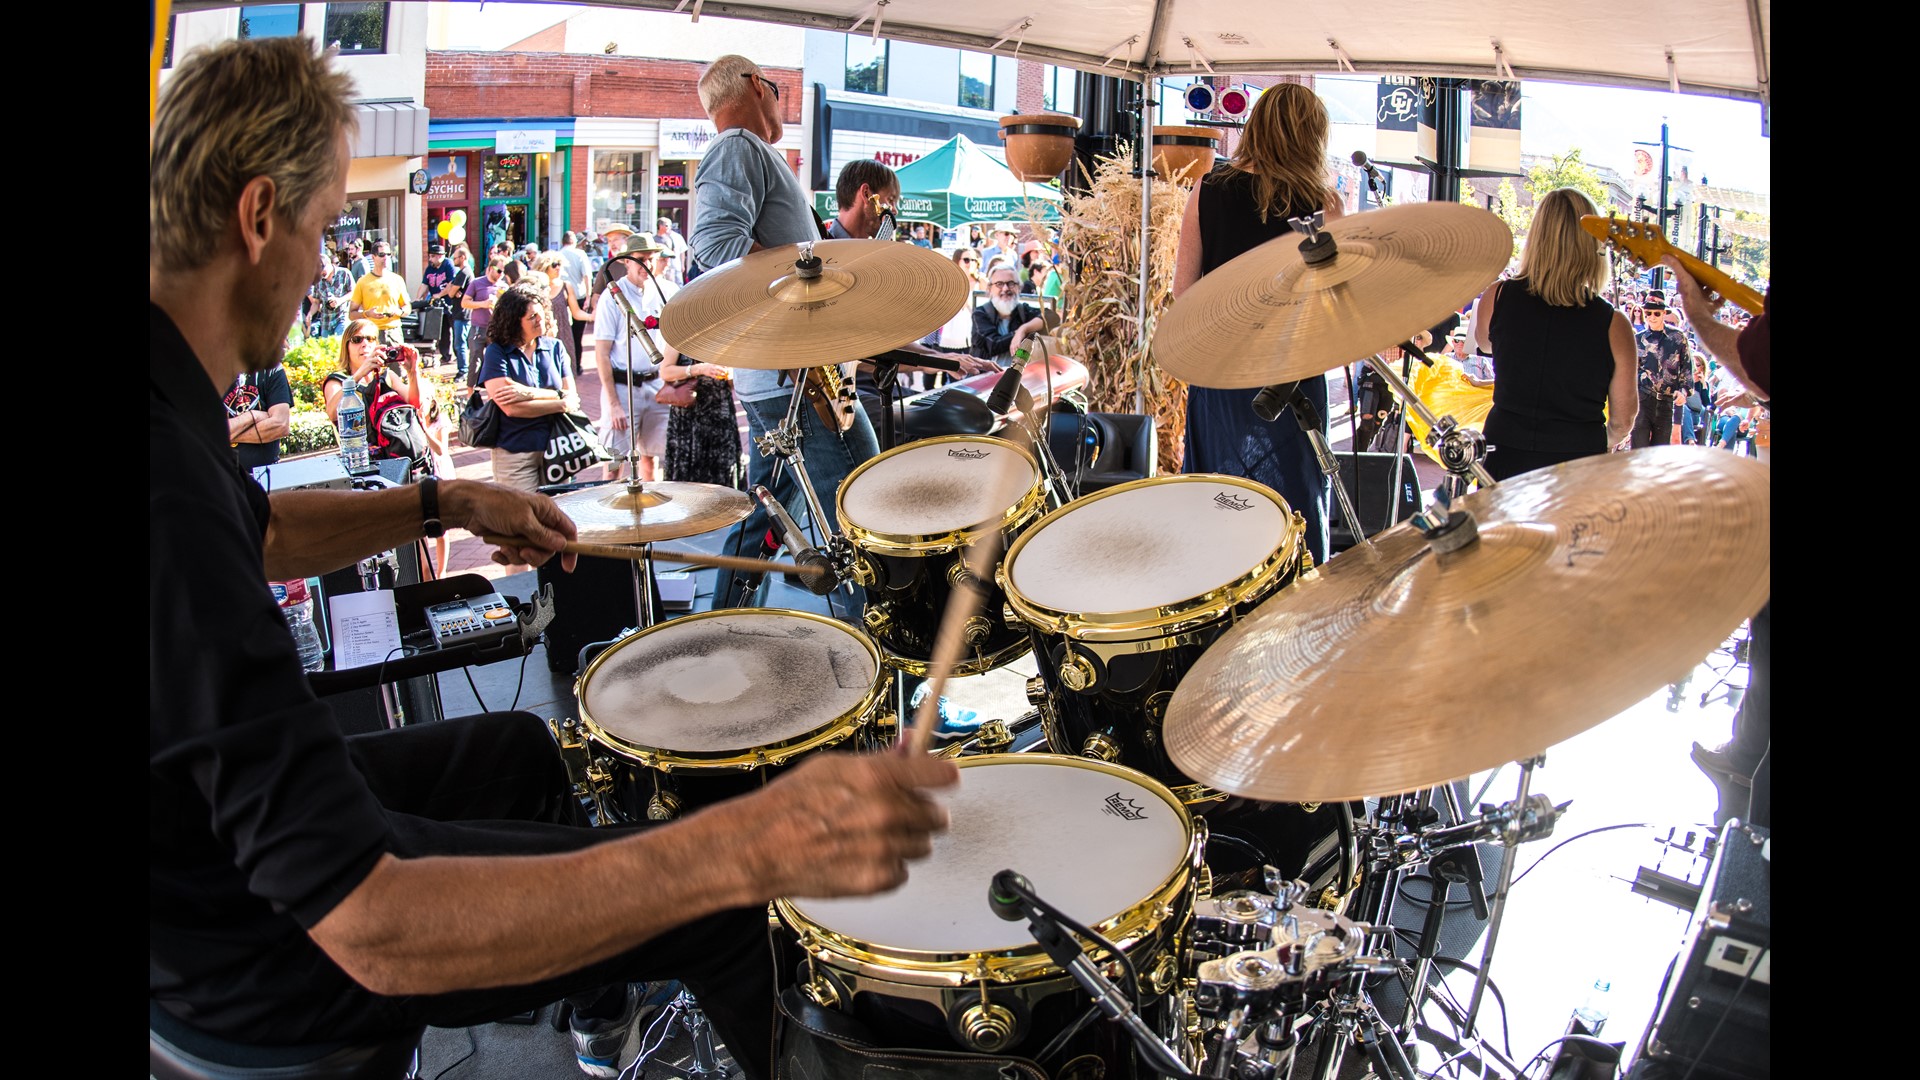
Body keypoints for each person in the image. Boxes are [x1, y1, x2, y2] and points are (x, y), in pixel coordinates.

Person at [154, 39, 958, 1080]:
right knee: (721, 909)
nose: (320, 265)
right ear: (259, 216)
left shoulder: (170, 407)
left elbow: (252, 535)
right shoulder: (163, 484)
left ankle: (596, 1021)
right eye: (319, 230)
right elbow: (370, 919)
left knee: (524, 756)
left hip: (205, 866)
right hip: (244, 960)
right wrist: (745, 846)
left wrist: (439, 500)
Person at [690, 54, 883, 611]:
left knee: (766, 521)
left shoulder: (750, 152)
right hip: (799, 379)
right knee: (859, 518)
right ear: (755, 85)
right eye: (774, 89)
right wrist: (798, 294)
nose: (778, 100)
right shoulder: (739, 146)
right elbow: (716, 245)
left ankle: (720, 635)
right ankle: (885, 674)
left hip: (781, 379)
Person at [1172, 81, 1344, 565]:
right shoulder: (1322, 200)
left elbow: (1184, 294)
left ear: (1257, 126)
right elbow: (1331, 300)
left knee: (1217, 495)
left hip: (1223, 368)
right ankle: (1294, 601)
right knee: (1295, 499)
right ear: (1312, 136)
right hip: (1294, 371)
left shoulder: (1209, 188)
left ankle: (1216, 601)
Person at [1462, 188, 1636, 482]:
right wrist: (1589, 443)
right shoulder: (1614, 324)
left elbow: (1484, 344)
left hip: (1503, 454)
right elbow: (1623, 422)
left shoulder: (1498, 296)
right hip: (1576, 465)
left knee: (1500, 528)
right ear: (1593, 244)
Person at [594, 233, 678, 482]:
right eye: (641, 259)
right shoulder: (613, 296)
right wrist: (613, 404)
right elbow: (601, 352)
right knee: (615, 461)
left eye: (651, 259)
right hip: (623, 387)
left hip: (657, 385)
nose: (647, 265)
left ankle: (650, 515)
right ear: (627, 261)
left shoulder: (668, 290)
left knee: (652, 459)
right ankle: (610, 516)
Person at [480, 282, 578, 496]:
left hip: (557, 448)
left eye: (541, 313)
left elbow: (572, 398)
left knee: (559, 515)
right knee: (523, 519)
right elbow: (511, 409)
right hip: (516, 451)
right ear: (515, 322)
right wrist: (559, 402)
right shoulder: (497, 353)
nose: (540, 320)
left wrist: (529, 393)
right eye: (532, 317)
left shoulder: (554, 347)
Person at [657, 246, 741, 487]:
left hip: (719, 412)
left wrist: (732, 374)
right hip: (689, 415)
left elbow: (735, 374)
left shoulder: (724, 334)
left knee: (722, 478)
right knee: (689, 482)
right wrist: (698, 369)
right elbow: (665, 371)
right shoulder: (681, 333)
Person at [323, 318, 426, 475]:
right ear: (347, 347)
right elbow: (332, 412)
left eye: (370, 338)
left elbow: (414, 403)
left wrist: (412, 372)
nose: (365, 344)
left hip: (398, 455)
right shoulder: (338, 380)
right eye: (357, 340)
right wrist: (359, 374)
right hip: (362, 462)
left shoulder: (387, 375)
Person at [1629, 291, 1689, 447]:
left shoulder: (1678, 337)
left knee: (1659, 451)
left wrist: (1684, 390)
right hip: (1642, 400)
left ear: (1664, 313)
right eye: (1648, 312)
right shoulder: (1637, 339)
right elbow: (1631, 370)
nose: (1652, 316)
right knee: (1639, 450)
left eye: (1656, 313)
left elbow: (1686, 366)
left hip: (1666, 401)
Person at [226, 363, 293, 472]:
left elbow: (280, 425)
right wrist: (252, 416)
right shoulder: (209, 373)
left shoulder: (271, 368)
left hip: (267, 475)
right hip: (221, 477)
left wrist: (226, 435)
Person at [972, 265, 1046, 363]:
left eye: (1011, 283)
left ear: (1019, 288)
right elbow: (993, 345)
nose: (1005, 288)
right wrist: (1017, 334)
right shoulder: (980, 313)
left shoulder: (1023, 312)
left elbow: (1050, 316)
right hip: (988, 376)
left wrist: (1023, 330)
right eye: (999, 284)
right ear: (990, 289)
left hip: (1020, 376)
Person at [348, 240, 409, 344]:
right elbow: (351, 314)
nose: (386, 258)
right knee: (374, 361)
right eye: (381, 255)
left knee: (398, 360)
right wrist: (367, 314)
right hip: (371, 333)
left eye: (388, 254)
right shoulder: (363, 282)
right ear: (373, 257)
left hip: (394, 332)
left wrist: (399, 312)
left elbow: (407, 307)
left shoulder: (397, 279)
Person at [460, 254, 506, 387]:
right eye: (499, 271)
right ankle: (470, 395)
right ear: (491, 268)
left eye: (503, 272)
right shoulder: (477, 283)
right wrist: (483, 304)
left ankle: (493, 395)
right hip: (478, 328)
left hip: (495, 329)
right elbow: (464, 303)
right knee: (475, 361)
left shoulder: (503, 287)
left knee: (495, 362)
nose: (501, 275)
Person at [417, 242, 464, 364]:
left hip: (450, 303)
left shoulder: (448, 265)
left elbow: (452, 283)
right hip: (438, 305)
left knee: (454, 330)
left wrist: (440, 294)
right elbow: (424, 284)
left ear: (439, 256)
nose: (430, 259)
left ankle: (458, 357)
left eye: (432, 256)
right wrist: (418, 299)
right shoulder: (430, 268)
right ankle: (445, 356)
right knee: (442, 332)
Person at [558, 231, 595, 359]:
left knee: (562, 333)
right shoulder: (580, 254)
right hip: (579, 296)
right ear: (574, 241)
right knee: (577, 335)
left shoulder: (558, 255)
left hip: (561, 297)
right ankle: (576, 364)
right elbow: (587, 276)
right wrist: (588, 297)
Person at [308, 245, 354, 338]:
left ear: (329, 264)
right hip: (326, 322)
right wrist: (310, 314)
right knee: (327, 348)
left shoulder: (344, 273)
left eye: (323, 270)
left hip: (342, 317)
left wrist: (339, 300)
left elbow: (353, 292)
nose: (321, 273)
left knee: (339, 345)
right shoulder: (318, 280)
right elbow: (316, 302)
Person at [446, 243, 475, 378]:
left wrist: (453, 289)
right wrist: (453, 289)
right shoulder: (463, 272)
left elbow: (451, 292)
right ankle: (463, 369)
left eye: (456, 258)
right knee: (460, 343)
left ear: (463, 257)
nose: (454, 260)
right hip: (460, 312)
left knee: (460, 344)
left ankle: (463, 371)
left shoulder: (464, 272)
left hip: (463, 314)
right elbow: (452, 289)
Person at [653, 216, 690, 283]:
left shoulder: (674, 237)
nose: (669, 227)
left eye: (670, 226)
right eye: (666, 225)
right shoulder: (654, 239)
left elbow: (682, 251)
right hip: (662, 269)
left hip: (675, 268)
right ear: (660, 226)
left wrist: (682, 264)